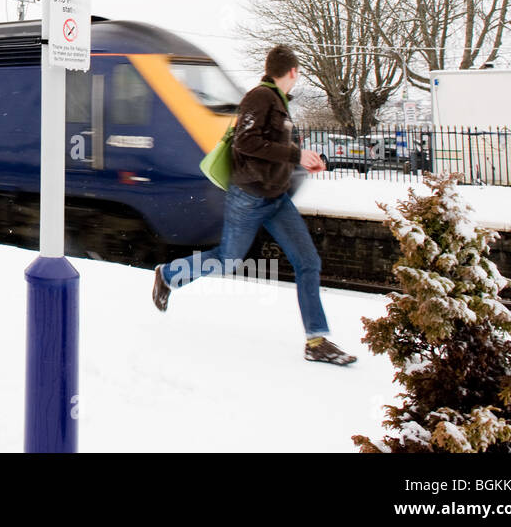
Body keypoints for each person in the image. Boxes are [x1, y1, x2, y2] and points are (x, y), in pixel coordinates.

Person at [151, 44, 357, 366]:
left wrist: (302, 162)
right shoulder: (260, 98)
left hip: (276, 198)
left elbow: (272, 150)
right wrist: (294, 155)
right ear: (292, 72)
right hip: (249, 198)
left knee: (308, 262)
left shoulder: (279, 102)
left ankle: (316, 341)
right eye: (297, 72)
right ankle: (170, 274)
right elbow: (247, 143)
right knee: (228, 259)